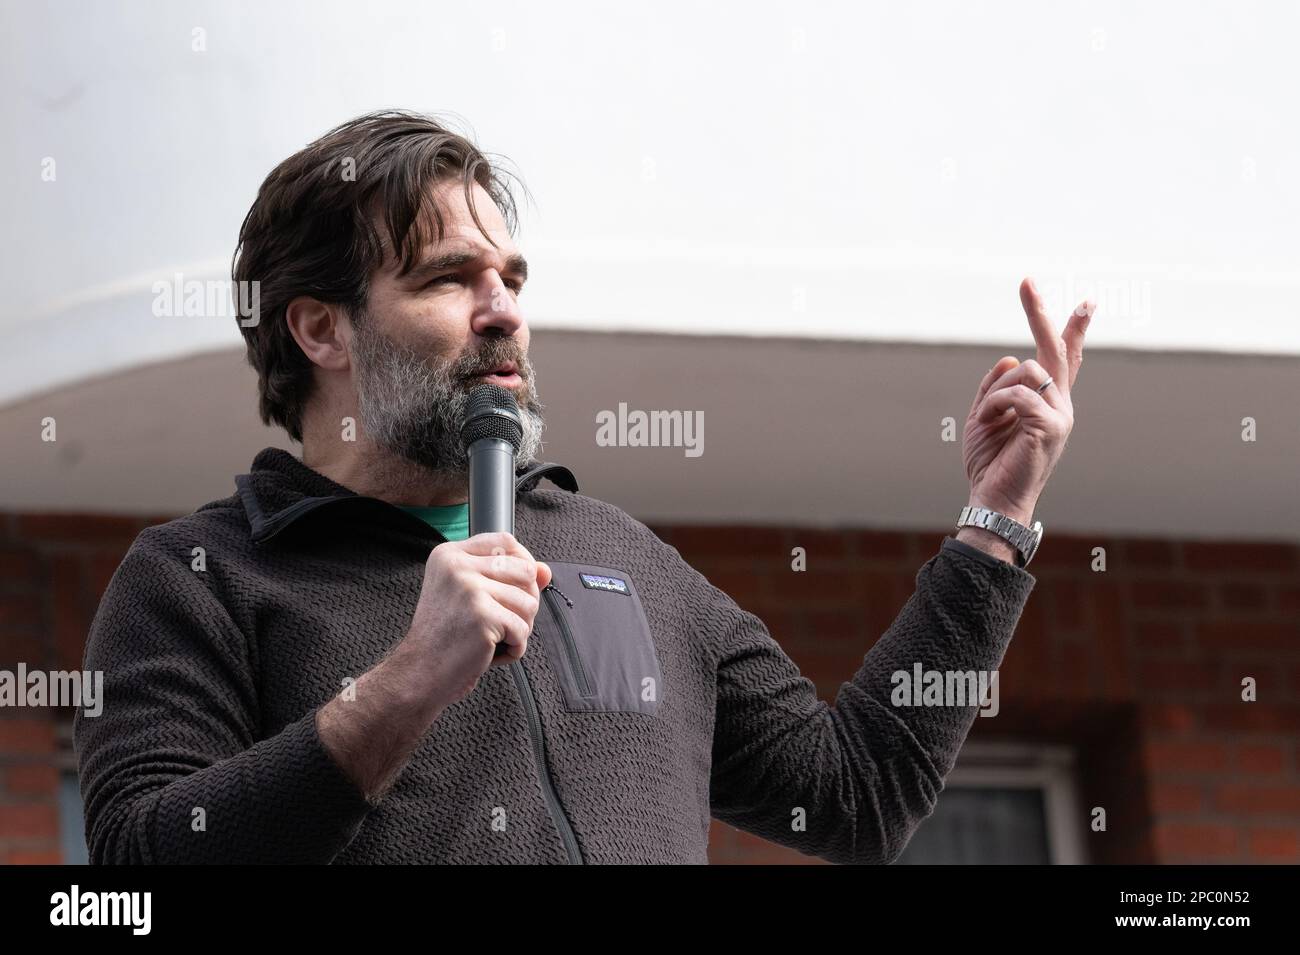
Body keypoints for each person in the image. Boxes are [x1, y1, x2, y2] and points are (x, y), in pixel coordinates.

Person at [74, 110, 1094, 864]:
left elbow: (856, 794)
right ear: (319, 327)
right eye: (446, 279)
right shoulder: (204, 576)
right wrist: (402, 686)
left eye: (511, 279)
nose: (502, 311)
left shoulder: (618, 554)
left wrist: (993, 521)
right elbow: (132, 877)